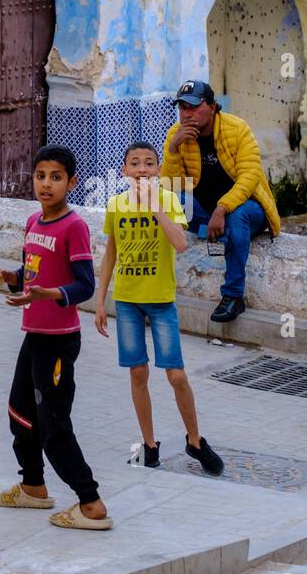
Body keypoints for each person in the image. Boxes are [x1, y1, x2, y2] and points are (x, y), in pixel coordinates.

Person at [0, 146, 113, 531]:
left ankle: (90, 503)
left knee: (54, 424)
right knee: (20, 413)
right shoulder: (33, 223)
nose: (46, 184)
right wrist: (7, 277)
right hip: (34, 335)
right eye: (40, 175)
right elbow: (32, 273)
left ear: (71, 182)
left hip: (59, 340)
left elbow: (84, 285)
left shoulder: (74, 227)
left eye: (56, 177)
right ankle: (33, 486)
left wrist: (48, 294)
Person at [96, 141, 225, 475]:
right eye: (135, 163)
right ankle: (149, 446)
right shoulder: (116, 205)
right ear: (124, 170)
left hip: (161, 300)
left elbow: (181, 244)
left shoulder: (168, 201)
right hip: (127, 300)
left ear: (157, 170)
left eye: (149, 163)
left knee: (176, 375)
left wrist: (155, 207)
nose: (142, 169)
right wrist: (100, 301)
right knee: (137, 372)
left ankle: (195, 441)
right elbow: (111, 252)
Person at [160, 80, 281, 323]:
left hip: (246, 207)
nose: (187, 113)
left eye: (194, 106)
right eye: (182, 107)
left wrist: (222, 209)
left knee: (238, 217)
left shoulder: (237, 129)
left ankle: (233, 296)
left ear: (213, 107)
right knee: (165, 204)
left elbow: (250, 176)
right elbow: (173, 187)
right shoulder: (176, 134)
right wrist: (173, 149)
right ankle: (156, 288)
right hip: (206, 209)